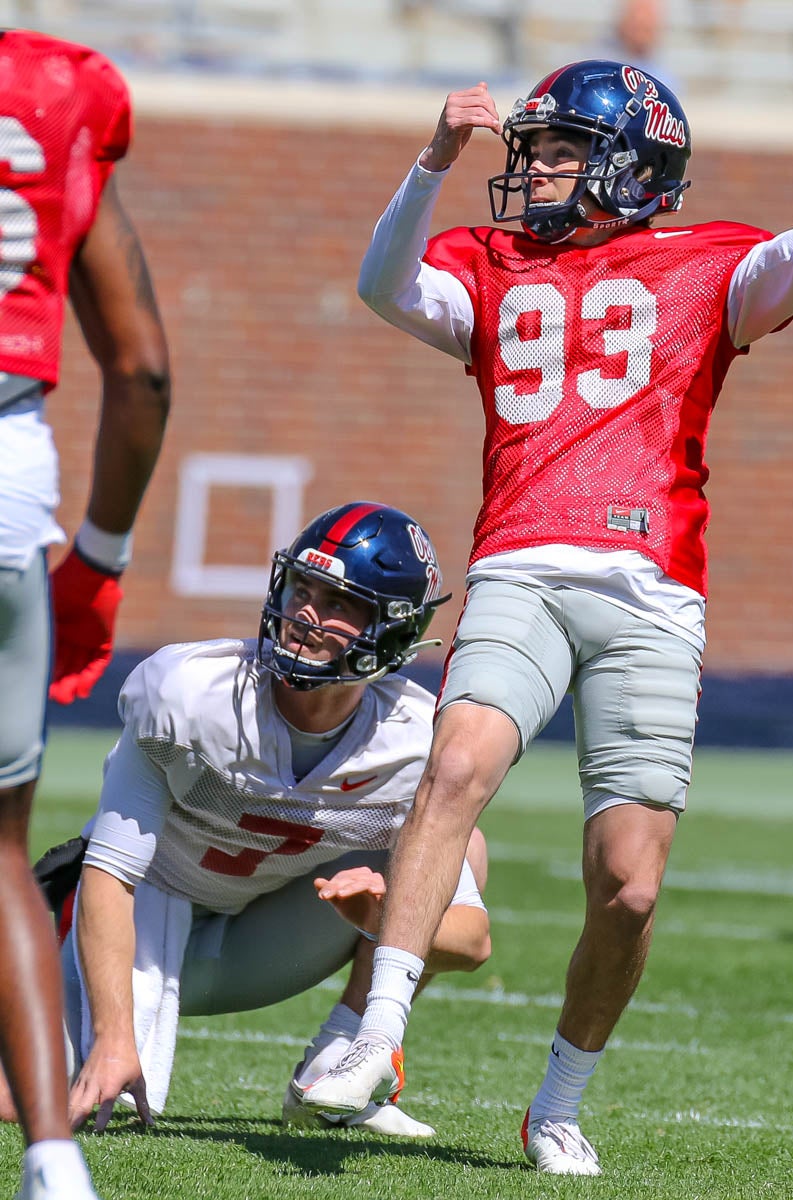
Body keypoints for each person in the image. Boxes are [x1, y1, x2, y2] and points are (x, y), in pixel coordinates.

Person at [297, 58, 793, 1174]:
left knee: (629, 886)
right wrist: (430, 163)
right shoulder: (495, 259)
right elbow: (386, 286)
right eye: (538, 148)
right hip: (522, 558)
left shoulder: (706, 262)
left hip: (654, 587)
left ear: (632, 164)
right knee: (457, 763)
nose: (537, 169)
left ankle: (558, 1101)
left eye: (564, 147)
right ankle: (375, 1034)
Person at [41, 502, 490, 1137]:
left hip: (257, 942)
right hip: (136, 918)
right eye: (302, 589)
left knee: (453, 843)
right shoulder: (188, 694)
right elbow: (109, 873)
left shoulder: (415, 742)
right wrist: (113, 1039)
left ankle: (340, 1058)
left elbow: (472, 941)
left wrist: (382, 919)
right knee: (33, 1102)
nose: (307, 612)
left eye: (337, 602)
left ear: (390, 631)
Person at [0, 29, 171, 1200]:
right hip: (12, 472)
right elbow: (143, 369)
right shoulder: (57, 88)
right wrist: (99, 562)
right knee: (2, 854)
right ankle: (55, 1161)